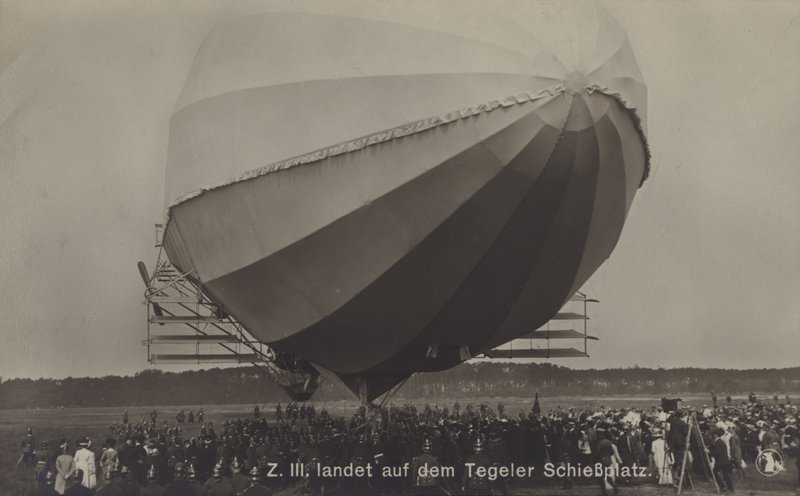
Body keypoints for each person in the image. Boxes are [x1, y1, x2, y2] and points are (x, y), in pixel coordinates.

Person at [709, 427, 734, 492]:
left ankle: (723, 487)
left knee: (714, 472)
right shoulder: (720, 441)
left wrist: (708, 452)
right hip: (724, 461)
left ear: (716, 435)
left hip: (721, 462)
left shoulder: (718, 442)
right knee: (726, 475)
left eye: (714, 434)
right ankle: (730, 488)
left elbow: (717, 451)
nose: (713, 435)